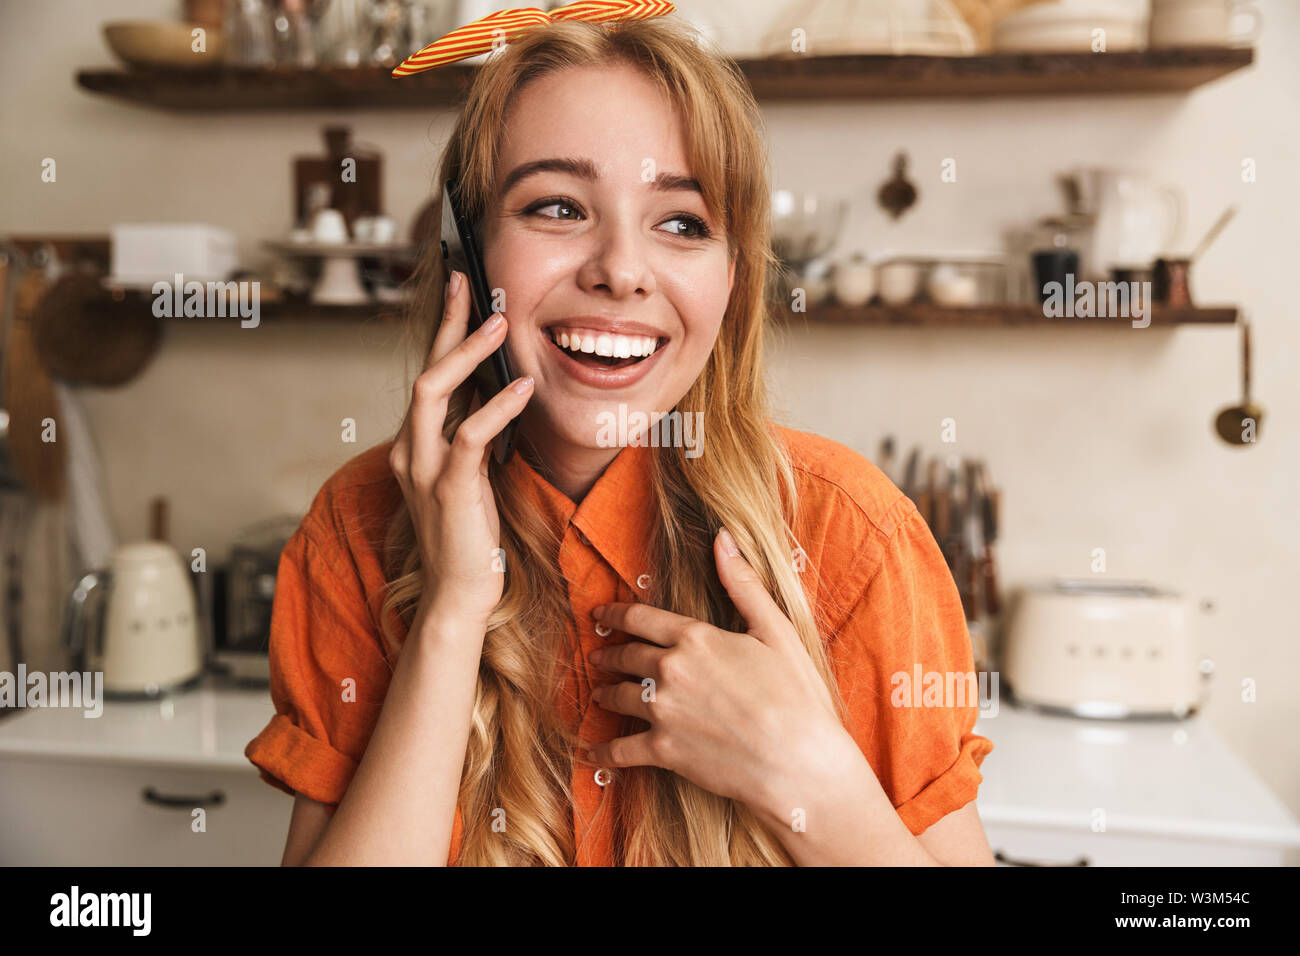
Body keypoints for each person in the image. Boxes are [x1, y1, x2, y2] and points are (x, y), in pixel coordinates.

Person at [245, 13, 995, 866]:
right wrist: (452, 613)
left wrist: (806, 775)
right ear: (468, 256)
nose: (622, 269)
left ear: (732, 280)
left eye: (680, 222)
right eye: (558, 208)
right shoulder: (355, 529)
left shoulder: (853, 536)